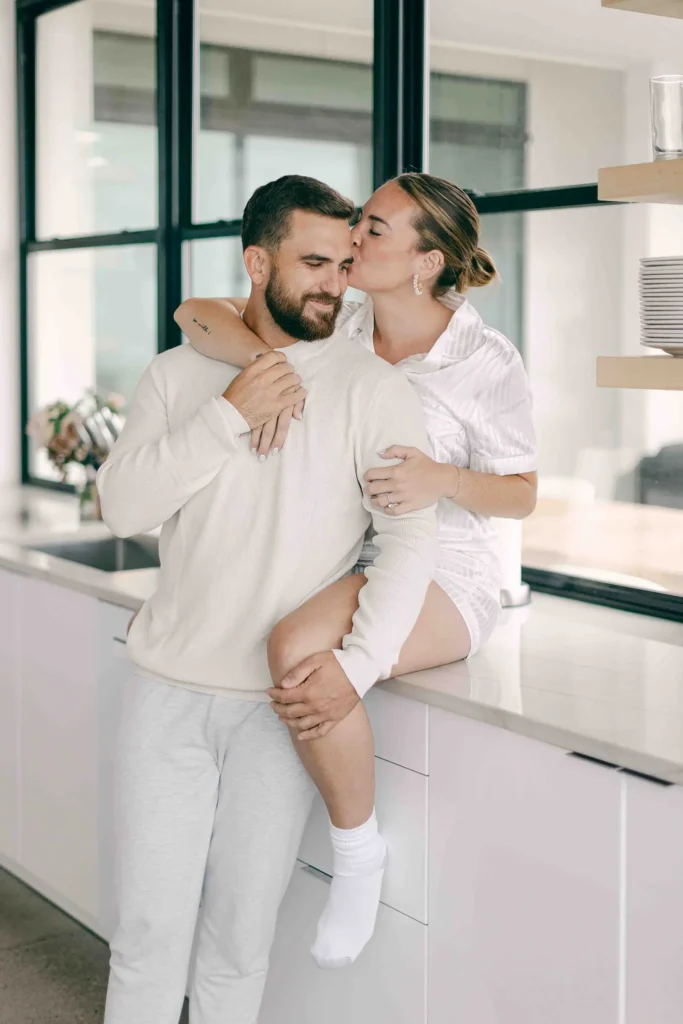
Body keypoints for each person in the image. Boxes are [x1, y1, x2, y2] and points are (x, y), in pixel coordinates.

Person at [97, 174, 438, 1024]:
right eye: (313, 261)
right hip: (167, 692)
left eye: (344, 262)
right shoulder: (181, 376)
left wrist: (357, 668)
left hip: (274, 714)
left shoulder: (371, 389)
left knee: (238, 940)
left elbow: (407, 542)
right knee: (145, 934)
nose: (335, 281)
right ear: (257, 262)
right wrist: (228, 413)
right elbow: (123, 506)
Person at [175, 171, 539, 966]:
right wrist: (272, 377)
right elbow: (193, 314)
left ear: (425, 260)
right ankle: (347, 845)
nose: (353, 235)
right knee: (285, 647)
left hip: (450, 573)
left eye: (374, 226)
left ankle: (355, 856)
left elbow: (521, 495)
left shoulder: (485, 358)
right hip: (353, 558)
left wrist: (442, 480)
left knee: (303, 657)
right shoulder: (337, 328)